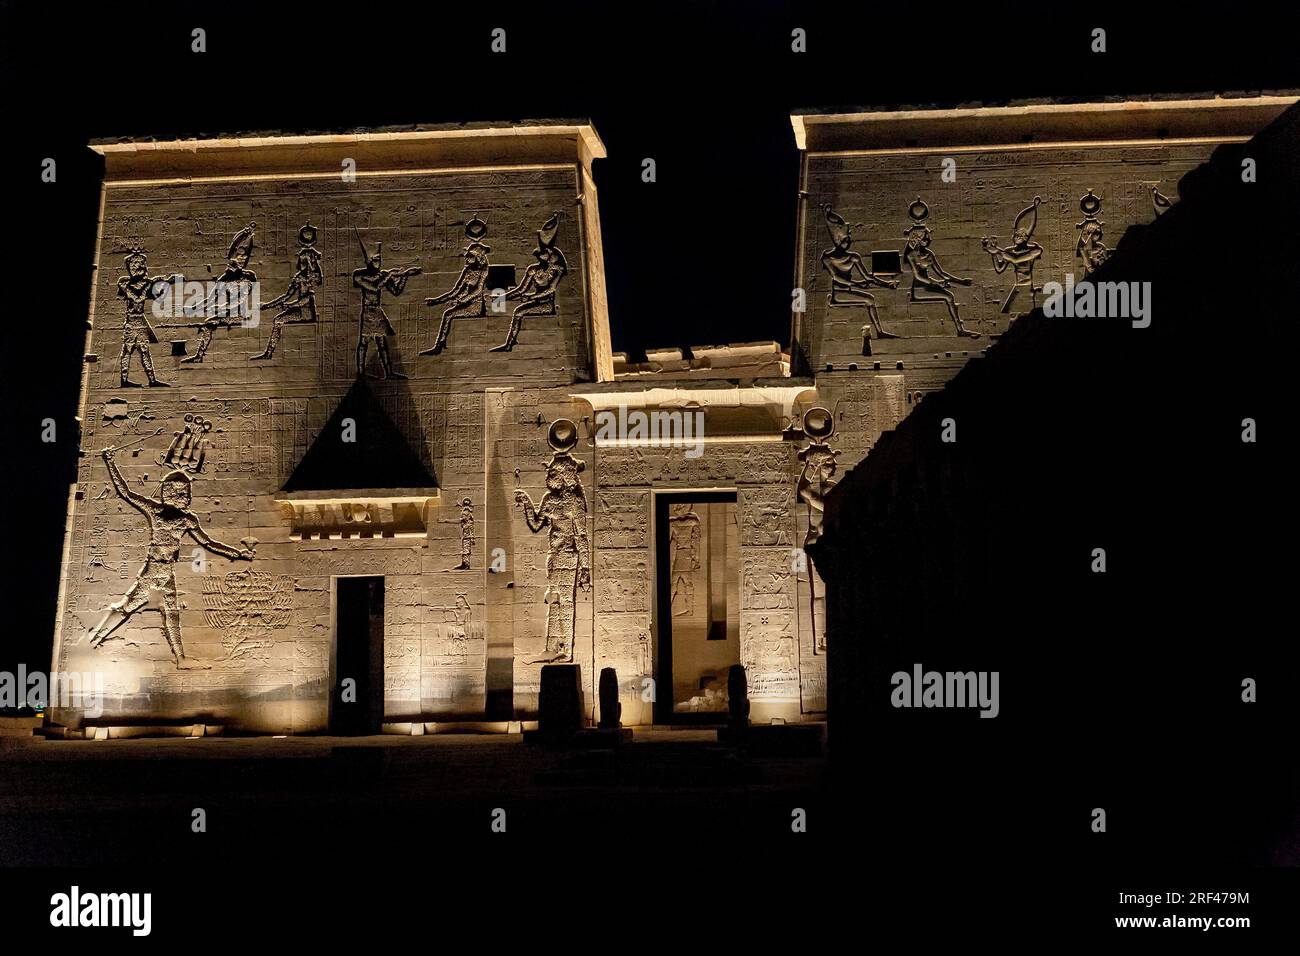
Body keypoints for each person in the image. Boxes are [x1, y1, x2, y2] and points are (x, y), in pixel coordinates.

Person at [87, 446, 253, 668]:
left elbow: (208, 543)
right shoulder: (158, 512)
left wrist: (237, 554)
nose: (186, 498)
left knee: (171, 616)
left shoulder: (186, 520)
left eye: (186, 494)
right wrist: (110, 462)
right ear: (170, 493)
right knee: (128, 608)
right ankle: (95, 638)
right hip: (154, 573)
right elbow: (125, 493)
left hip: (167, 575)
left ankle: (181, 659)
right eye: (181, 493)